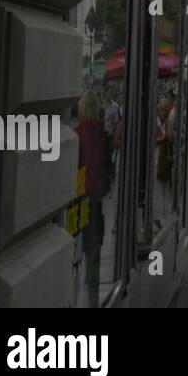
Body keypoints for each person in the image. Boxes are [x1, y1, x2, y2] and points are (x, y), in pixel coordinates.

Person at [74, 91, 107, 308]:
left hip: (80, 197)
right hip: (97, 197)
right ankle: (93, 300)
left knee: (75, 249)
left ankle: (74, 299)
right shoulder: (104, 133)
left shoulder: (77, 135)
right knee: (94, 249)